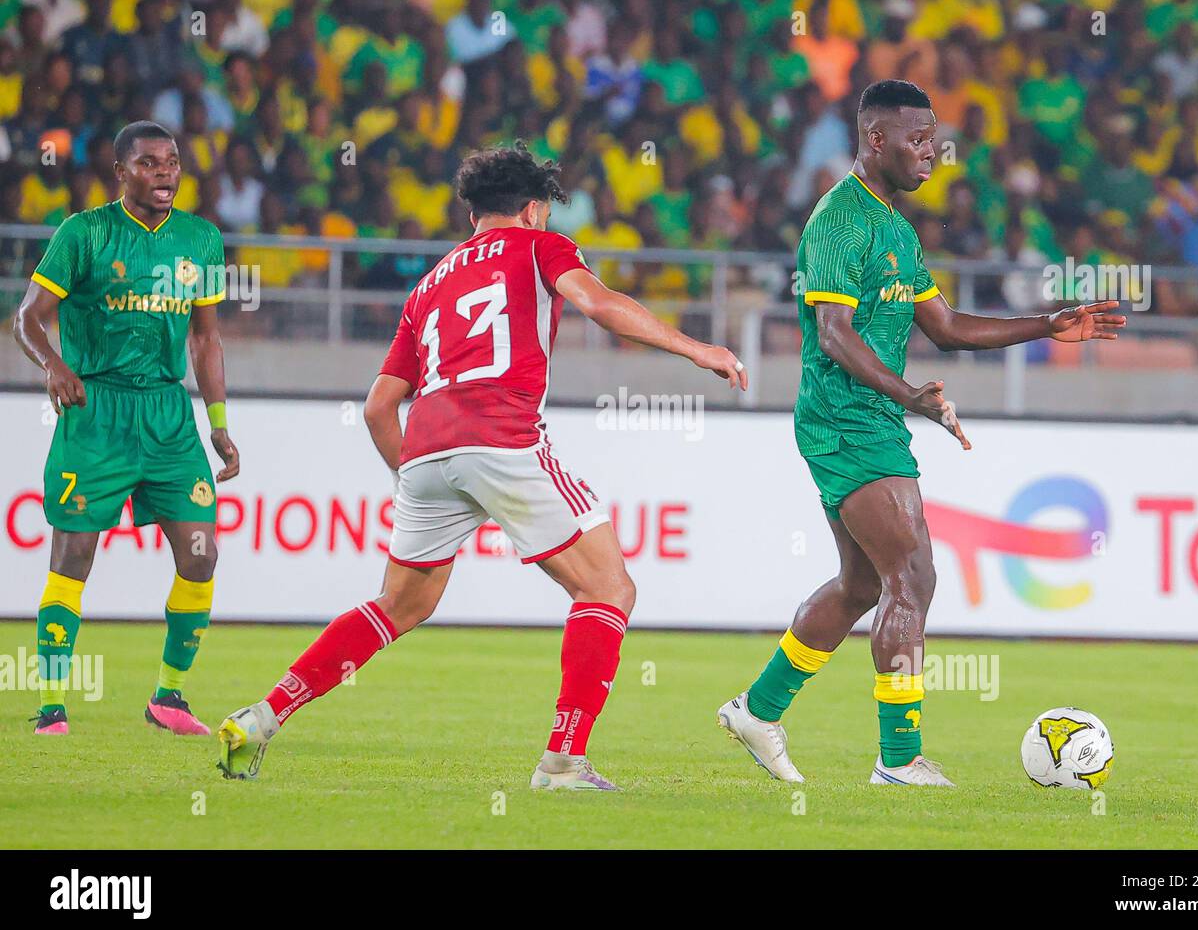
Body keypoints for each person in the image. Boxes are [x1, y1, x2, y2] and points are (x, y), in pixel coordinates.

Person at [217, 143, 746, 790]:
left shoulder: (429, 284)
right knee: (608, 587)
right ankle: (562, 762)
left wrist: (414, 479)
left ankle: (262, 717)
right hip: (503, 434)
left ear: (473, 214)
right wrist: (698, 349)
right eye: (545, 213)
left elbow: (380, 406)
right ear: (531, 210)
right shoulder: (541, 248)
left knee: (399, 604)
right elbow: (601, 305)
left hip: (428, 450)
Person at [718, 81, 1125, 786]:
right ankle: (899, 760)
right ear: (875, 140)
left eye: (935, 140)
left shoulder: (897, 230)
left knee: (861, 585)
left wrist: (1047, 323)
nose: (932, 154)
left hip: (869, 420)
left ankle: (760, 709)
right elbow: (834, 334)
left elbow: (947, 326)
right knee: (914, 574)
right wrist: (910, 395)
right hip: (846, 420)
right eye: (917, 140)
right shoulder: (839, 222)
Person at [12, 120, 239, 736]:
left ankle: (169, 698)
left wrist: (217, 423)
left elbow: (206, 337)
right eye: (148, 162)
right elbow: (27, 320)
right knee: (74, 556)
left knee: (201, 554)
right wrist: (54, 366)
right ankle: (52, 704)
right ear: (122, 172)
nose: (165, 171)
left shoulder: (201, 239)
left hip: (169, 416)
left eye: (171, 161)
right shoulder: (82, 234)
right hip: (98, 413)